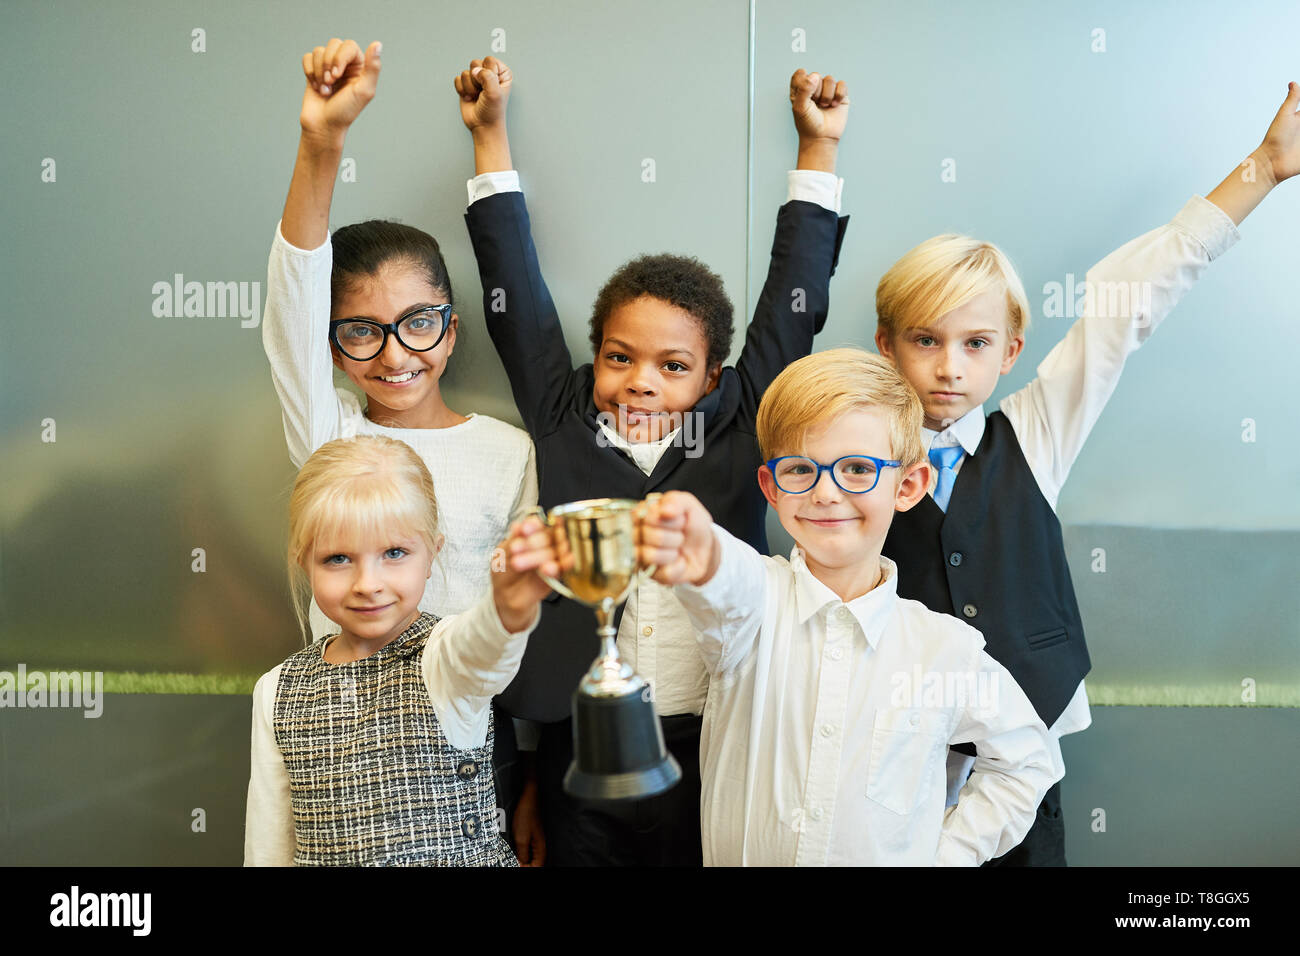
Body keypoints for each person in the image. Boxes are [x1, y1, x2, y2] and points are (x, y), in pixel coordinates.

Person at [873, 82, 1300, 865]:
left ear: (1009, 353)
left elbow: (1124, 306)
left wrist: (1264, 170)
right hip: (900, 753)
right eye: (924, 340)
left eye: (974, 344)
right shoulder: (854, 451)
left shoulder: (1034, 430)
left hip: (1025, 752)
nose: (947, 368)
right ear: (885, 346)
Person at [455, 56, 850, 865]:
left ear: (713, 375)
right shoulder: (562, 413)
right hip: (577, 747)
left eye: (673, 367)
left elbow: (797, 300)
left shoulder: (741, 418)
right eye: (618, 357)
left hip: (716, 737)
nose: (640, 381)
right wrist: (488, 134)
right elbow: (512, 285)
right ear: (593, 357)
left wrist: (818, 151)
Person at [262, 37, 539, 853]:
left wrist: (525, 783)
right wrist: (323, 143)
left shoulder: (510, 452)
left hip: (472, 744)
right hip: (340, 730)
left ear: (450, 332)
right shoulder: (333, 441)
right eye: (361, 332)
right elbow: (292, 295)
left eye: (418, 323)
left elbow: (525, 625)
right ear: (331, 341)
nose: (394, 353)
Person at [637, 348, 1061, 865]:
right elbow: (724, 575)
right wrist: (696, 542)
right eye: (799, 469)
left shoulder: (945, 649)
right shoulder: (753, 609)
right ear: (771, 487)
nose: (825, 493)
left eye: (858, 468)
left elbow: (1027, 761)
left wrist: (944, 857)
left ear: (908, 486)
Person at [243, 435, 560, 866]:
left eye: (394, 553)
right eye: (338, 558)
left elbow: (484, 653)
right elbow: (269, 847)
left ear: (432, 555)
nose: (367, 583)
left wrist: (506, 610)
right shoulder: (276, 690)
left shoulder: (442, 658)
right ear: (304, 562)